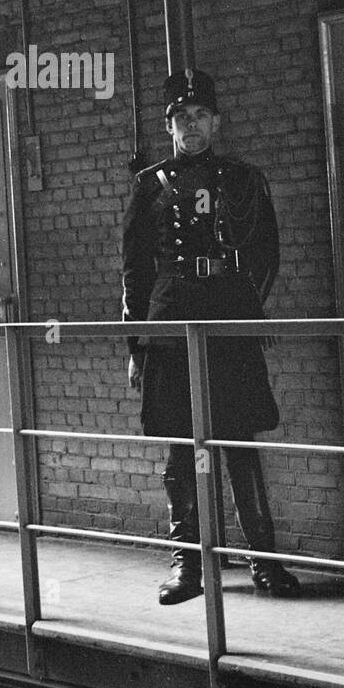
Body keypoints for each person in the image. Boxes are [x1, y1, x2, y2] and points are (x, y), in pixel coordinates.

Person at [122, 68, 297, 604]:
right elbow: (133, 271)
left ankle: (265, 564)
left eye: (200, 116)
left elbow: (266, 251)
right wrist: (136, 344)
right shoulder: (149, 185)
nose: (191, 126)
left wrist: (246, 311)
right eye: (181, 118)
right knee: (180, 446)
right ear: (168, 125)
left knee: (240, 441)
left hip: (228, 322)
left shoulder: (244, 179)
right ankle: (187, 566)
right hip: (171, 325)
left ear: (215, 121)